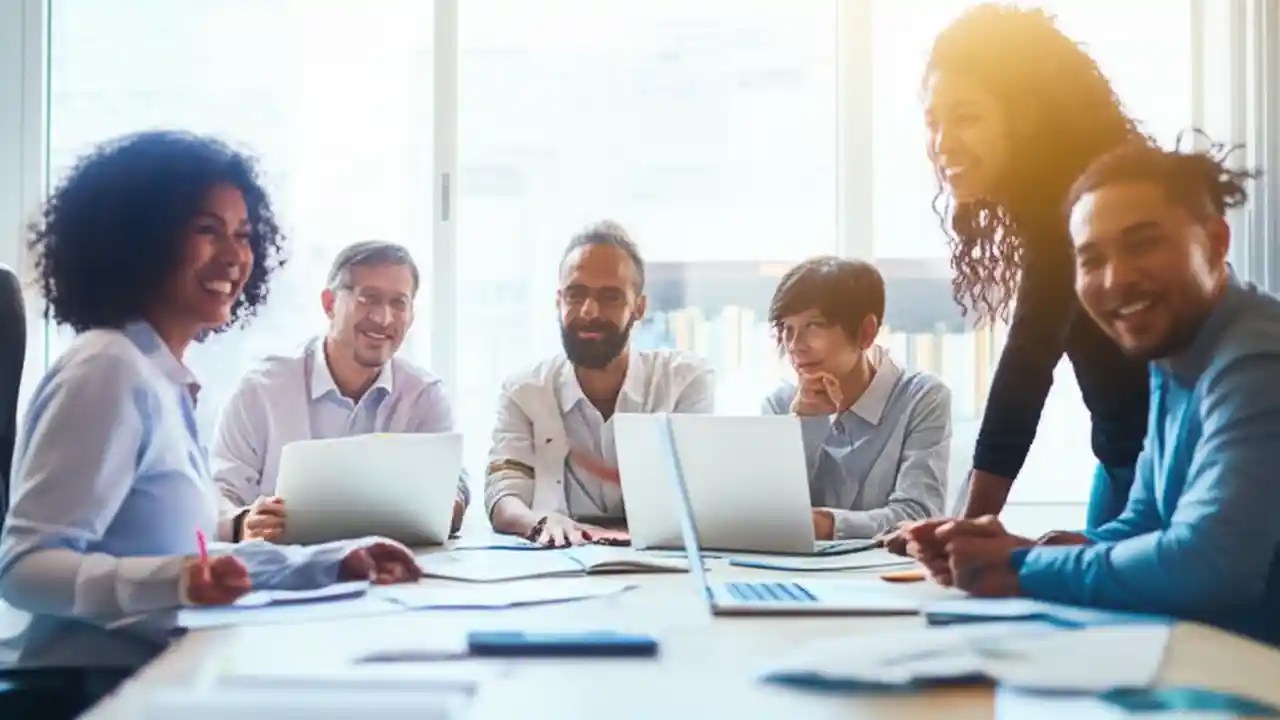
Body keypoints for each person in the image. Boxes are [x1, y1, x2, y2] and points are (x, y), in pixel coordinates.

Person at [0, 131, 421, 672]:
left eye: (243, 236)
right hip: (91, 687)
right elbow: (25, 569)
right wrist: (177, 582)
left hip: (161, 669)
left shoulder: (160, 376)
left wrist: (330, 563)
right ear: (141, 240)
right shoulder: (108, 370)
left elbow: (180, 560)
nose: (234, 257)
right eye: (207, 231)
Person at [905, 142, 1280, 645]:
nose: (1115, 278)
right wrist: (1027, 550)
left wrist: (1023, 566)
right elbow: (1145, 523)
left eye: (1143, 244)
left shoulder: (1256, 361)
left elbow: (1211, 564)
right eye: (1091, 258)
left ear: (1215, 243)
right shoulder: (1176, 352)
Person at [921, 5, 1151, 529]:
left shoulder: (1079, 208)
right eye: (933, 121)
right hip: (1121, 463)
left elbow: (1026, 366)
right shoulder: (1050, 204)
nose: (942, 142)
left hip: (1166, 474)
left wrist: (970, 528)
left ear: (1025, 114)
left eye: (967, 117)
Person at [212, 241, 469, 542]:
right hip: (284, 574)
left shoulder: (424, 396)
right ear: (329, 304)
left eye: (399, 303)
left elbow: (454, 488)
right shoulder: (260, 391)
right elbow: (219, 497)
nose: (384, 318)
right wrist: (244, 523)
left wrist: (448, 505)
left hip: (397, 571)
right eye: (368, 298)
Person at [485, 221, 714, 547]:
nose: (588, 312)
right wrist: (538, 523)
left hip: (658, 558)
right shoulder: (524, 390)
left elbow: (698, 493)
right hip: (555, 558)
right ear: (558, 301)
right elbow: (504, 495)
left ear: (639, 308)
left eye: (610, 297)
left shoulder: (684, 381)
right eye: (576, 295)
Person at [762, 257, 950, 540]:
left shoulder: (921, 398)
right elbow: (765, 514)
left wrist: (826, 524)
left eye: (814, 325)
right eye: (787, 328)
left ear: (865, 333)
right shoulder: (780, 404)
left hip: (886, 577)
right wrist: (803, 424)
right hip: (792, 573)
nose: (795, 345)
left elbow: (919, 515)